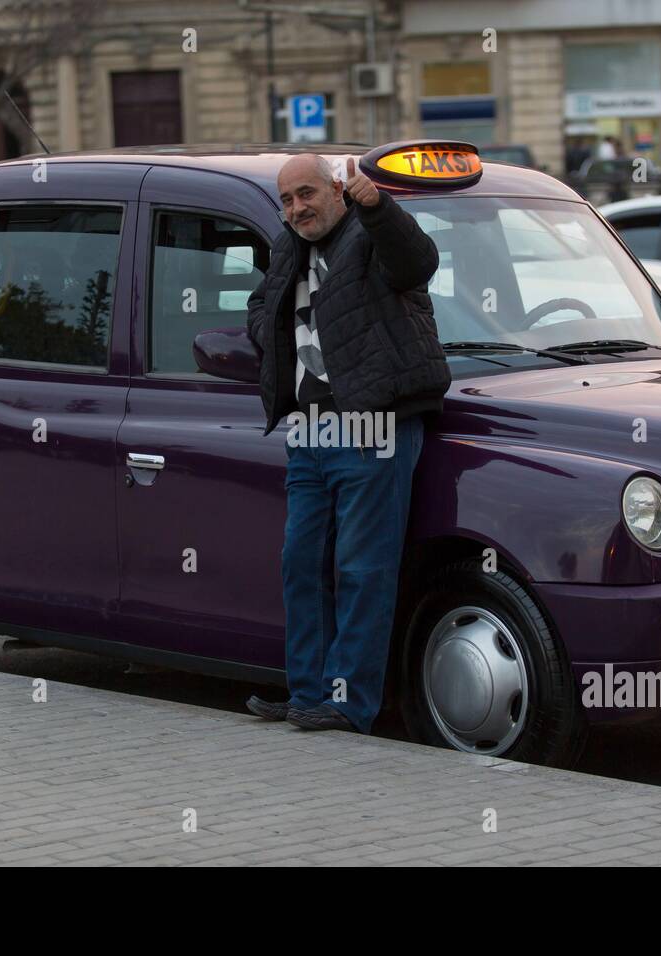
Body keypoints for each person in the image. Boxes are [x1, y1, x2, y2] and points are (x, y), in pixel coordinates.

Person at [244, 153, 450, 734]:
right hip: (309, 430)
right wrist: (276, 335)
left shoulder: (371, 232)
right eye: (286, 200)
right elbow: (260, 306)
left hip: (373, 426)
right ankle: (307, 693)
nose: (296, 208)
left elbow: (418, 262)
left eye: (306, 194)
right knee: (301, 564)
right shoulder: (289, 244)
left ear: (336, 190)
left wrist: (378, 203)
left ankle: (348, 703)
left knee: (362, 568)